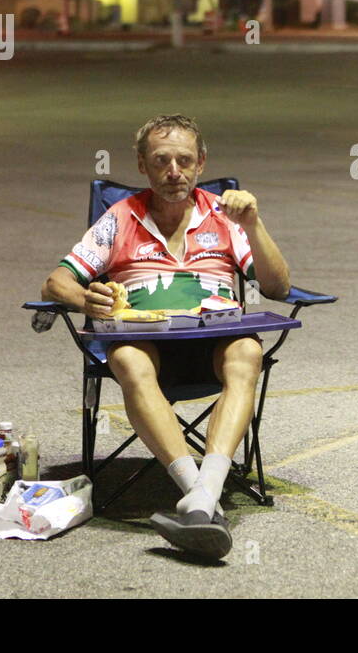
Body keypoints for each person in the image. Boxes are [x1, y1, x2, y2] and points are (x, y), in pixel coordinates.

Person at [41, 114, 290, 558]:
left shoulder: (226, 216)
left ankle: (200, 498)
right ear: (142, 165)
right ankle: (200, 493)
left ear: (201, 163)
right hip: (147, 344)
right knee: (127, 359)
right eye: (161, 161)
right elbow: (56, 282)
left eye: (184, 160)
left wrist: (254, 222)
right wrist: (85, 299)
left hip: (215, 340)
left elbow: (277, 287)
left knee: (247, 350)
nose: (174, 171)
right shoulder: (120, 218)